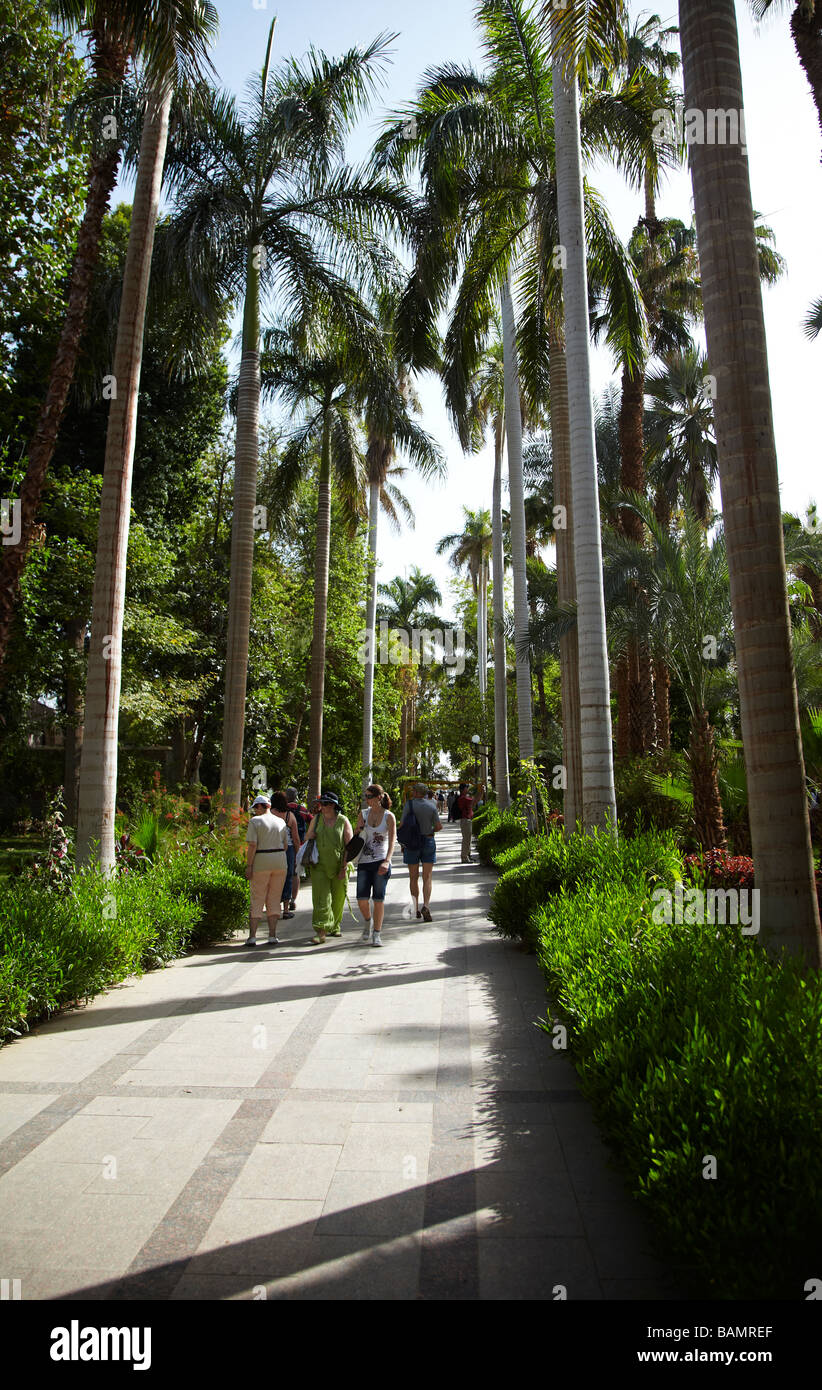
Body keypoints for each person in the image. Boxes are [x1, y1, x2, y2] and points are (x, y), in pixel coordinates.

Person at [304, 791, 352, 944]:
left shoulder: (343, 821)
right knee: (321, 899)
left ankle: (335, 926)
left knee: (338, 898)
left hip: (340, 864)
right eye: (321, 804)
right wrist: (310, 836)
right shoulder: (316, 819)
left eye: (325, 804)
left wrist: (343, 867)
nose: (322, 807)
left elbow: (349, 846)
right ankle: (321, 930)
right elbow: (307, 836)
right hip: (319, 865)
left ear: (333, 805)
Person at [354, 784, 396, 947]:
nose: (367, 799)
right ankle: (367, 921)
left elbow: (392, 840)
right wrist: (359, 829)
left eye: (369, 796)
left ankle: (377, 934)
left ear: (379, 797)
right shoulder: (363, 814)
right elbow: (357, 837)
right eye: (365, 796)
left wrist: (387, 860)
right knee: (361, 899)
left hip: (381, 861)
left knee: (378, 899)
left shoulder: (388, 817)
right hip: (364, 861)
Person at [245, 792, 289, 946]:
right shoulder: (281, 822)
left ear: (258, 807)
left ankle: (252, 936)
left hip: (261, 860)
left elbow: (252, 845)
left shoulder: (255, 822)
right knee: (274, 897)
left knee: (257, 897)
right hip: (279, 861)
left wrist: (249, 865)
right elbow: (285, 845)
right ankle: (272, 935)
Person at [400, 781, 442, 922]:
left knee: (413, 877)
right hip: (428, 841)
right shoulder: (432, 805)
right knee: (427, 877)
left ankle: (416, 907)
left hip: (412, 843)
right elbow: (438, 826)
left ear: (416, 792)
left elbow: (402, 825)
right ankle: (426, 906)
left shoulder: (409, 805)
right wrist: (429, 830)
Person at [270, 791, 300, 921]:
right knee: (288, 877)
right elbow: (296, 838)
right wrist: (298, 855)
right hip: (289, 850)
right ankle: (286, 909)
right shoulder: (290, 816)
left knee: (273, 878)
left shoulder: (270, 814)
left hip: (272, 849)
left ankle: (273, 908)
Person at [285, 785, 310, 909]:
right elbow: (312, 821)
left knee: (284, 873)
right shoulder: (303, 810)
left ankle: (283, 899)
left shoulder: (282, 810)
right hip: (299, 845)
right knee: (295, 874)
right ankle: (293, 900)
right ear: (296, 797)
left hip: (284, 845)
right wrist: (307, 836)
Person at [457, 781, 476, 863]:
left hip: (466, 820)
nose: (468, 789)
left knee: (468, 839)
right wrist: (481, 792)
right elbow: (475, 801)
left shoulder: (463, 797)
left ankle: (467, 855)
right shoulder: (463, 798)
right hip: (465, 820)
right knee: (466, 839)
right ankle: (464, 857)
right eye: (467, 788)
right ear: (464, 789)